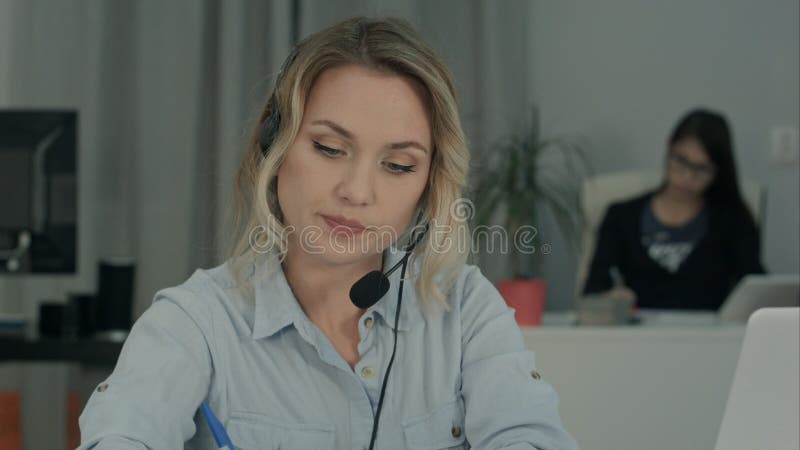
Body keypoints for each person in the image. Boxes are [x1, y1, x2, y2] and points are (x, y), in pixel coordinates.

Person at [78, 17, 578, 449]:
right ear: (274, 150)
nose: (357, 191)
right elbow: (123, 433)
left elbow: (529, 435)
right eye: (330, 149)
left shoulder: (465, 310)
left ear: (430, 185)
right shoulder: (195, 324)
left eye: (398, 165)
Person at [583, 108, 765, 310]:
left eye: (701, 169)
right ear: (669, 146)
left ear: (717, 172)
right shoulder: (622, 215)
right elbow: (593, 289)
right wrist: (611, 298)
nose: (686, 177)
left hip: (710, 334)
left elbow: (756, 289)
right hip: (639, 332)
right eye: (680, 160)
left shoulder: (732, 219)